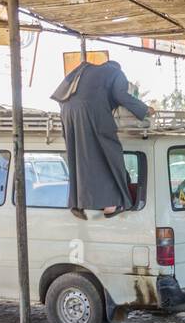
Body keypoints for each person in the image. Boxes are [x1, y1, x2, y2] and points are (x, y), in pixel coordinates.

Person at [50, 59, 150, 219]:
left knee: (79, 157)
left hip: (67, 112)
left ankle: (77, 203)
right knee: (108, 152)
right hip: (90, 111)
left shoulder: (84, 69)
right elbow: (120, 95)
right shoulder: (116, 73)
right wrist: (144, 110)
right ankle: (111, 205)